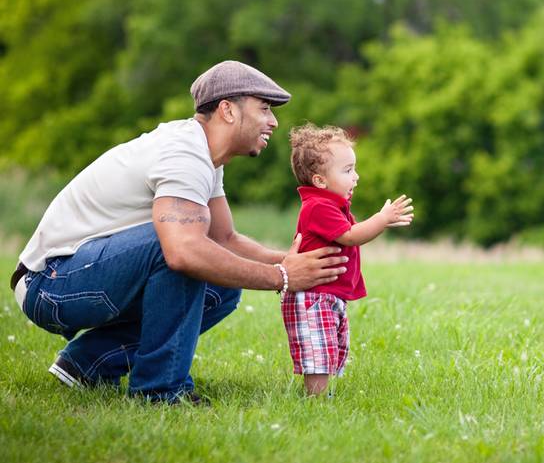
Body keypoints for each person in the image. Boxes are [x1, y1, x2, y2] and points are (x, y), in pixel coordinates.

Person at [9, 60, 349, 404]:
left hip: (75, 278)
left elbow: (224, 239)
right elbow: (183, 251)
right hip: (50, 284)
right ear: (228, 110)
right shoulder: (184, 155)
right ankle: (160, 391)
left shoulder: (204, 156)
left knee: (222, 288)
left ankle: (88, 363)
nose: (273, 121)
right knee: (179, 250)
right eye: (264, 109)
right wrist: (282, 277)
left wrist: (291, 261)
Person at [282, 124, 413, 396]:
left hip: (326, 295)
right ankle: (316, 399)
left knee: (331, 345)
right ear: (320, 180)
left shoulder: (331, 205)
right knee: (318, 352)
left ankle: (321, 394)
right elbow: (350, 236)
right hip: (313, 296)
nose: (356, 177)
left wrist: (381, 222)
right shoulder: (318, 207)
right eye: (347, 170)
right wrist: (382, 219)